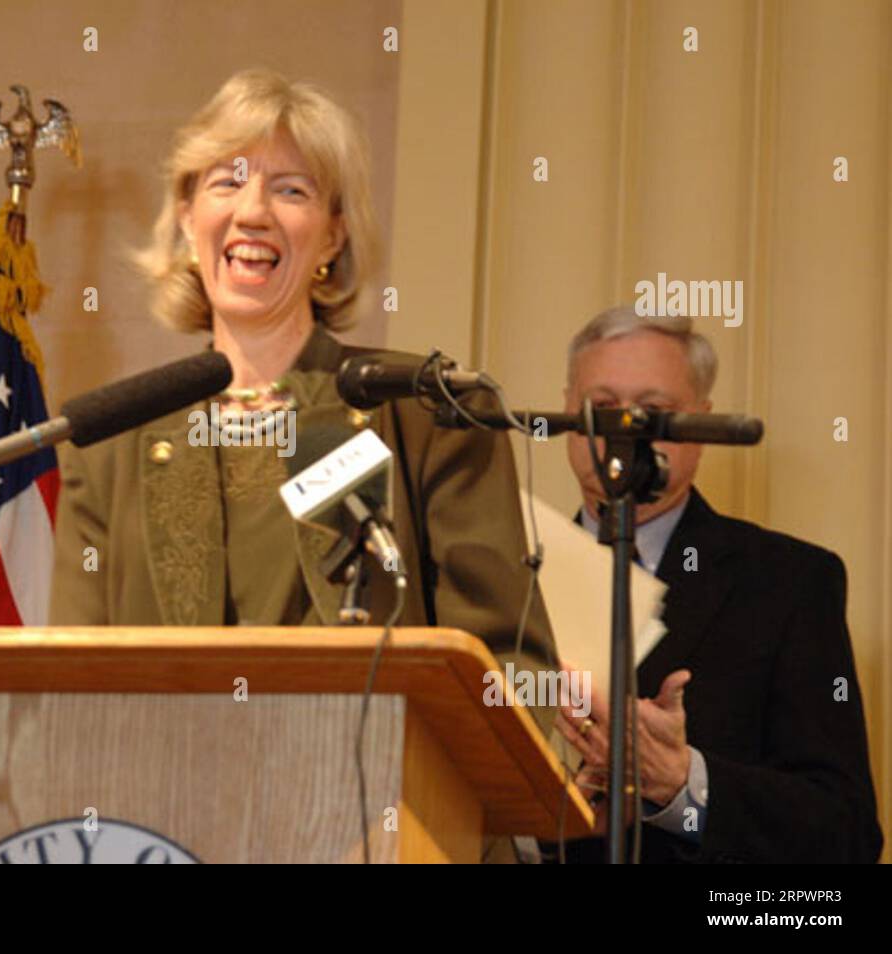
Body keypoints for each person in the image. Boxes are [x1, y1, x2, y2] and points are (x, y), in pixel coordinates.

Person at [49, 70, 555, 693]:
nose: (253, 211)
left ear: (334, 234)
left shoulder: (431, 413)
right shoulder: (107, 445)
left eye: (291, 191)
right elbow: (68, 686)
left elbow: (505, 669)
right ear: (187, 216)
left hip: (374, 787)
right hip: (154, 784)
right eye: (226, 182)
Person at [554, 305, 882, 863]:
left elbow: (845, 835)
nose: (622, 431)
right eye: (602, 407)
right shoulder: (498, 571)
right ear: (566, 411)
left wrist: (681, 783)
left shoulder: (791, 583)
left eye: (654, 410)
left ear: (702, 424)